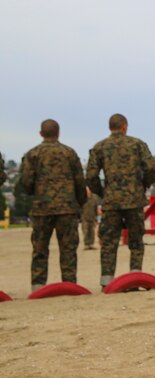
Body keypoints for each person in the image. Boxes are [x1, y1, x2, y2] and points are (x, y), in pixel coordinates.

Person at [86, 113, 155, 287]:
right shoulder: (137, 144)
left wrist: (102, 193)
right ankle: (135, 277)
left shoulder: (100, 147)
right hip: (134, 199)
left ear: (110, 127)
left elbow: (91, 176)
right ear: (125, 126)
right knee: (136, 240)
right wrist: (143, 186)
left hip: (111, 201)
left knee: (109, 241)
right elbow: (150, 168)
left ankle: (107, 280)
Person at [20, 119, 86, 291]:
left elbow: (26, 182)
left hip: (42, 208)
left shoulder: (32, 154)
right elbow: (80, 181)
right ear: (58, 133)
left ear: (41, 133)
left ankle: (38, 286)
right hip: (67, 208)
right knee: (68, 249)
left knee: (40, 249)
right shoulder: (69, 153)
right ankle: (69, 284)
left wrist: (33, 193)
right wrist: (80, 202)